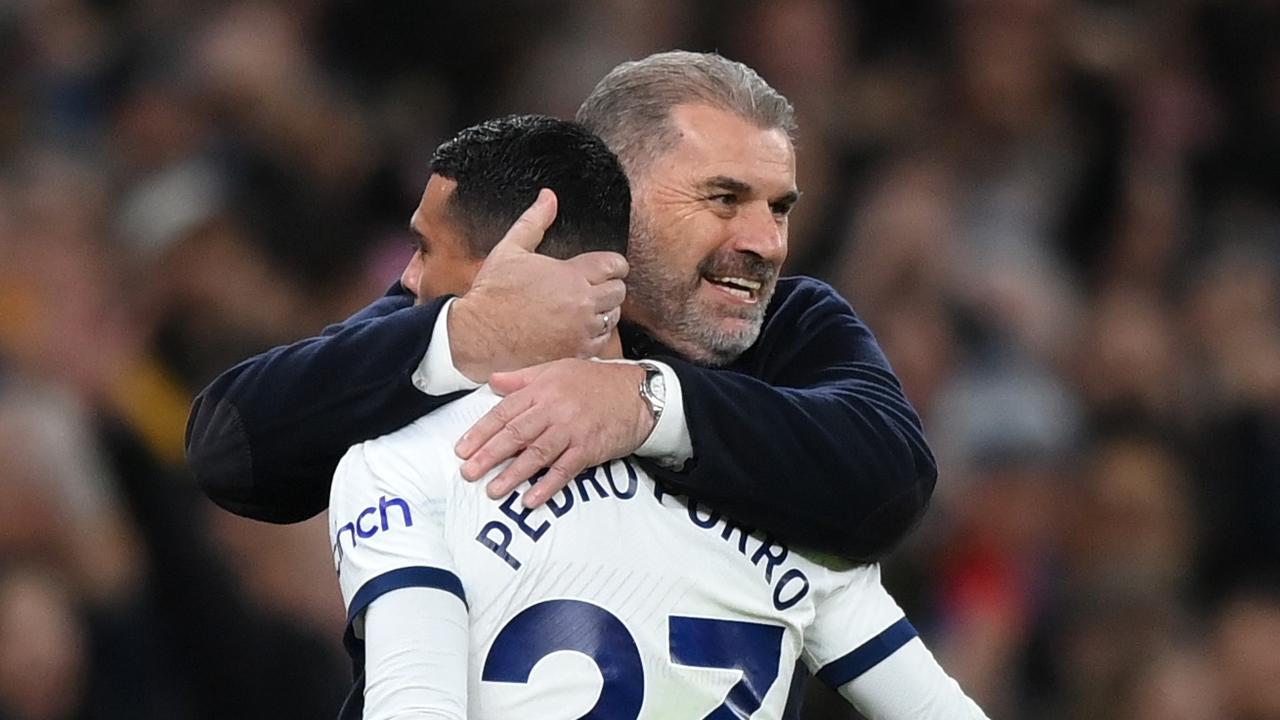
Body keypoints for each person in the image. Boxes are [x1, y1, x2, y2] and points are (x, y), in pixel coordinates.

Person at [331, 113, 987, 719]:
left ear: (513, 267)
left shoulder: (402, 462)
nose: (408, 280)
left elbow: (413, 704)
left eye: (424, 249)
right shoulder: (782, 494)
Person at [186, 50, 936, 562]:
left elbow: (891, 483)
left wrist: (646, 405)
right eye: (724, 199)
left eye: (779, 207)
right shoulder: (472, 298)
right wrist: (468, 339)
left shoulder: (794, 327)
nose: (765, 242)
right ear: (614, 191)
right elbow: (232, 451)